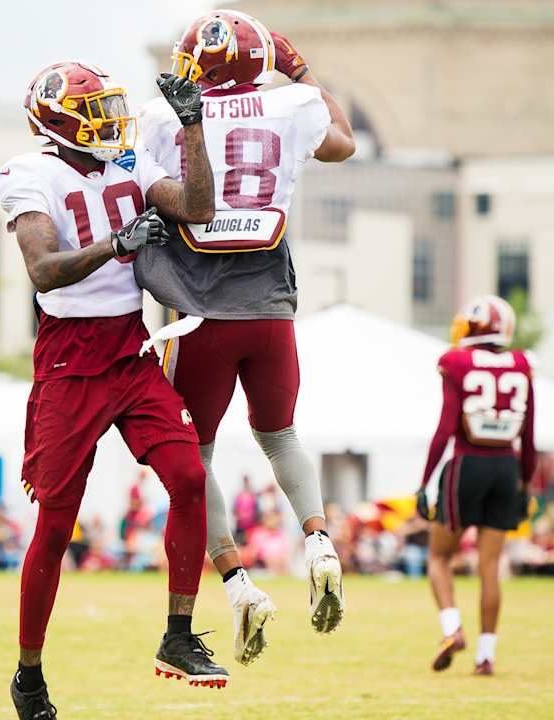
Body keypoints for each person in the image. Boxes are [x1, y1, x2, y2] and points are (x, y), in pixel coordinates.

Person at [0, 60, 224, 717]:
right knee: (56, 525)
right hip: (69, 362)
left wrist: (191, 126)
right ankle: (30, 674)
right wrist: (116, 243)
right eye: (92, 110)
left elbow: (198, 207)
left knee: (187, 478)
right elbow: (43, 269)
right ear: (59, 123)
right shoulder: (29, 173)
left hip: (130, 348)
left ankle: (178, 637)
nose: (109, 121)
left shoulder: (124, 157)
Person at [135, 9, 356, 665]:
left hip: (199, 313)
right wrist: (303, 70)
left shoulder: (158, 116)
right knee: (280, 432)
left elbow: (142, 191)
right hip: (271, 308)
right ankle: (318, 540)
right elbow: (342, 140)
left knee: (193, 454)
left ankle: (237, 585)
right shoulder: (292, 105)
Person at [418, 295, 536, 677]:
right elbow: (529, 438)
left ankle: (453, 629)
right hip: (506, 466)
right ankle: (486, 655)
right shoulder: (522, 364)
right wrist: (525, 485)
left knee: (438, 557)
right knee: (489, 567)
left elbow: (445, 428)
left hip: (468, 464)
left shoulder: (457, 362)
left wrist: (425, 482)